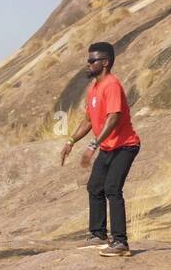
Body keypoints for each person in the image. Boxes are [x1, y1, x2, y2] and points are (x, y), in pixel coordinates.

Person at [60, 41, 141, 257]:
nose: (88, 64)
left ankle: (121, 243)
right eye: (88, 60)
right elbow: (87, 121)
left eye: (92, 61)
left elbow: (113, 117)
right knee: (95, 187)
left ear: (104, 62)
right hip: (107, 148)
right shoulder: (94, 88)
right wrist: (70, 141)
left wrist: (93, 145)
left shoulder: (111, 85)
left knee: (112, 189)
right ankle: (98, 234)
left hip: (125, 146)